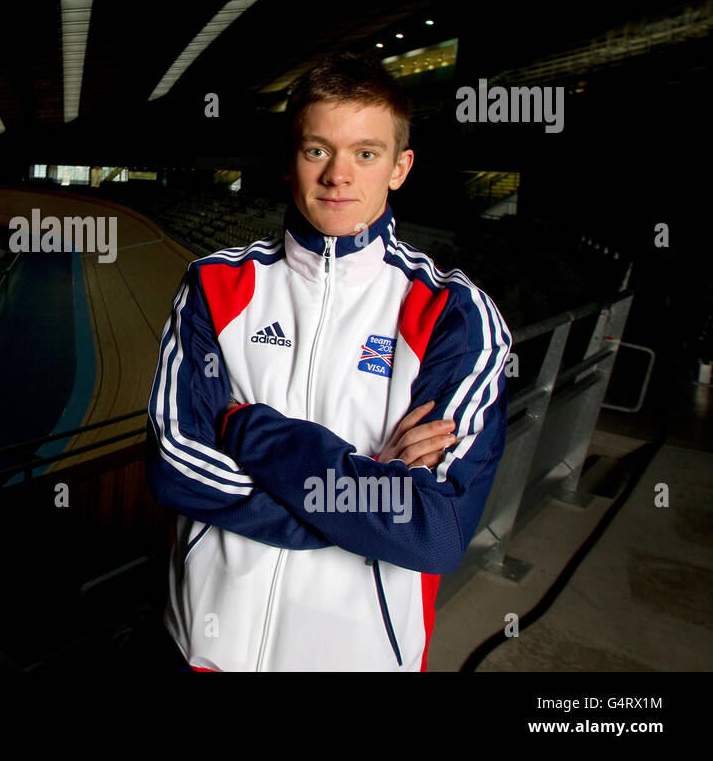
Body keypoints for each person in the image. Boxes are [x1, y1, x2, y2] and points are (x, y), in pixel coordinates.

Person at [147, 52, 512, 671]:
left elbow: (436, 525)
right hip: (205, 647)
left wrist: (243, 428)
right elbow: (175, 466)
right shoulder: (214, 287)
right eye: (318, 150)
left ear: (400, 168)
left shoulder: (455, 314)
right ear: (291, 162)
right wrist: (366, 493)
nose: (338, 176)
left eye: (365, 154)